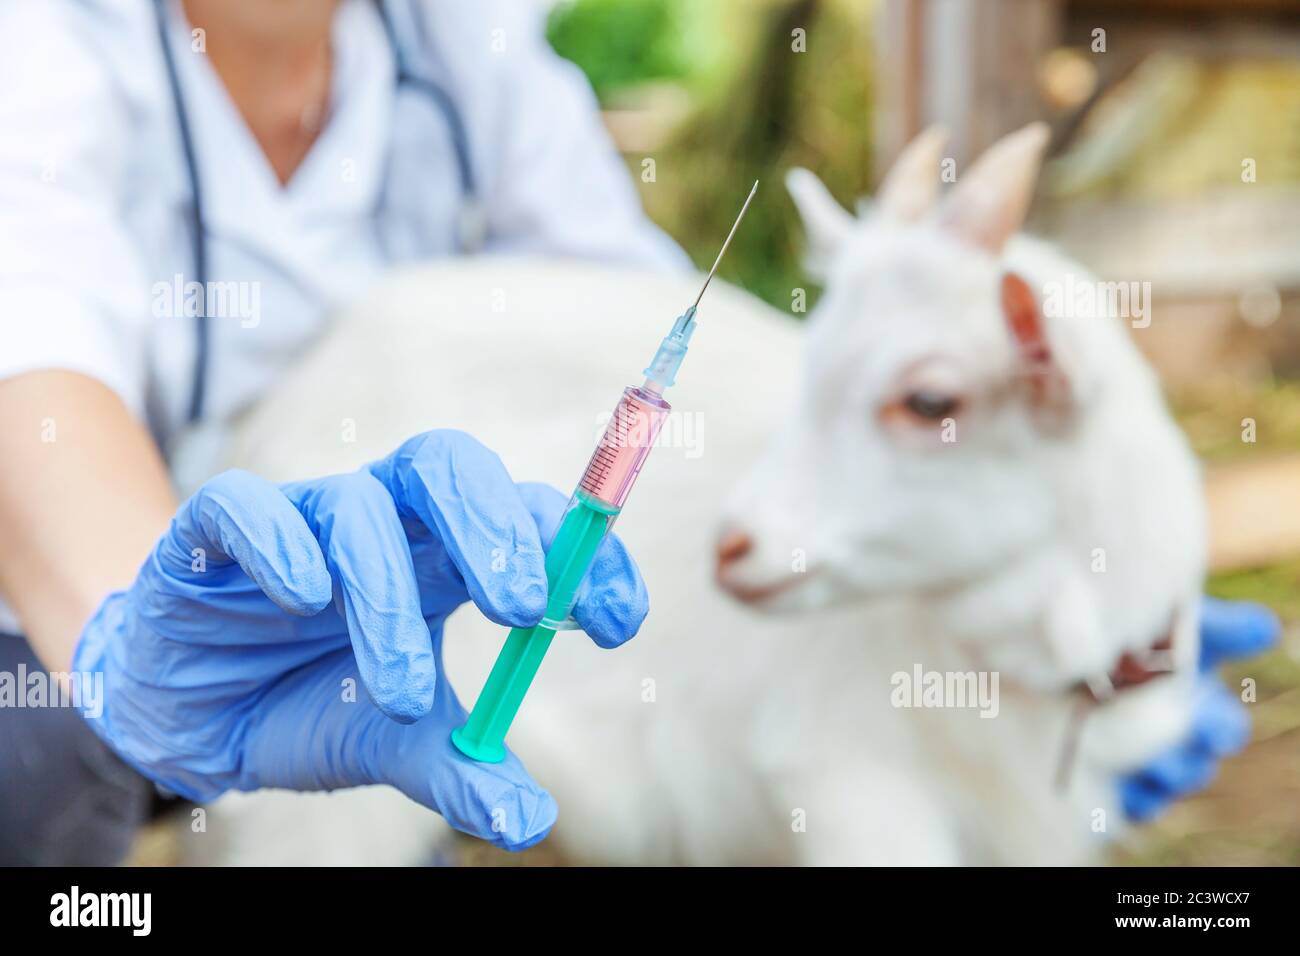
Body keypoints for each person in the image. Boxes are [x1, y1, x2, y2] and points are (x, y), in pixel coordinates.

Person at [0, 0, 1277, 865]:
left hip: (391, 624)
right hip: (97, 580)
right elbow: (31, 379)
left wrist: (1068, 597)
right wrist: (163, 643)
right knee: (39, 750)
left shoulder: (458, 38)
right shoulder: (49, 48)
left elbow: (629, 311)